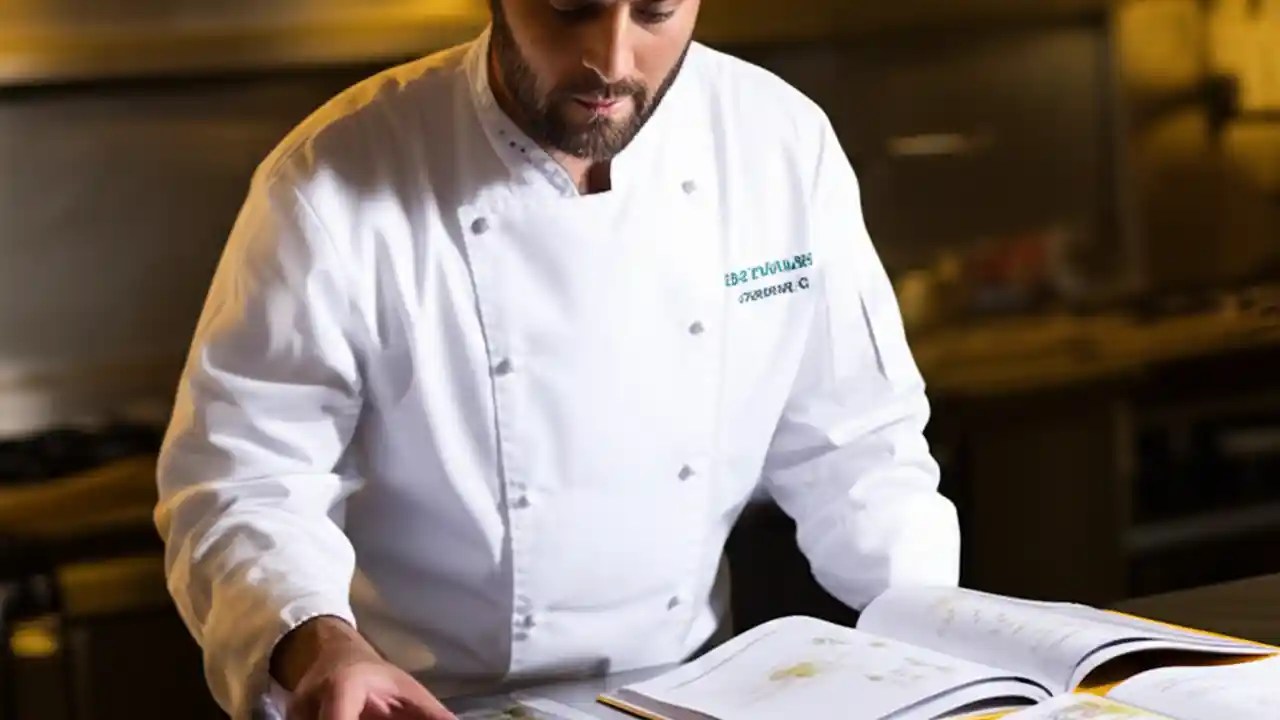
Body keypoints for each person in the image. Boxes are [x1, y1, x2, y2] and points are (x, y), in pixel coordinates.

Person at [154, 1, 961, 718]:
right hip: (425, 700)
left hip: (685, 695)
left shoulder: (777, 141)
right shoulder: (338, 171)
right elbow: (244, 481)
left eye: (655, 12)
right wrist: (317, 643)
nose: (611, 62)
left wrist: (952, 643)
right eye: (571, 8)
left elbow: (857, 444)